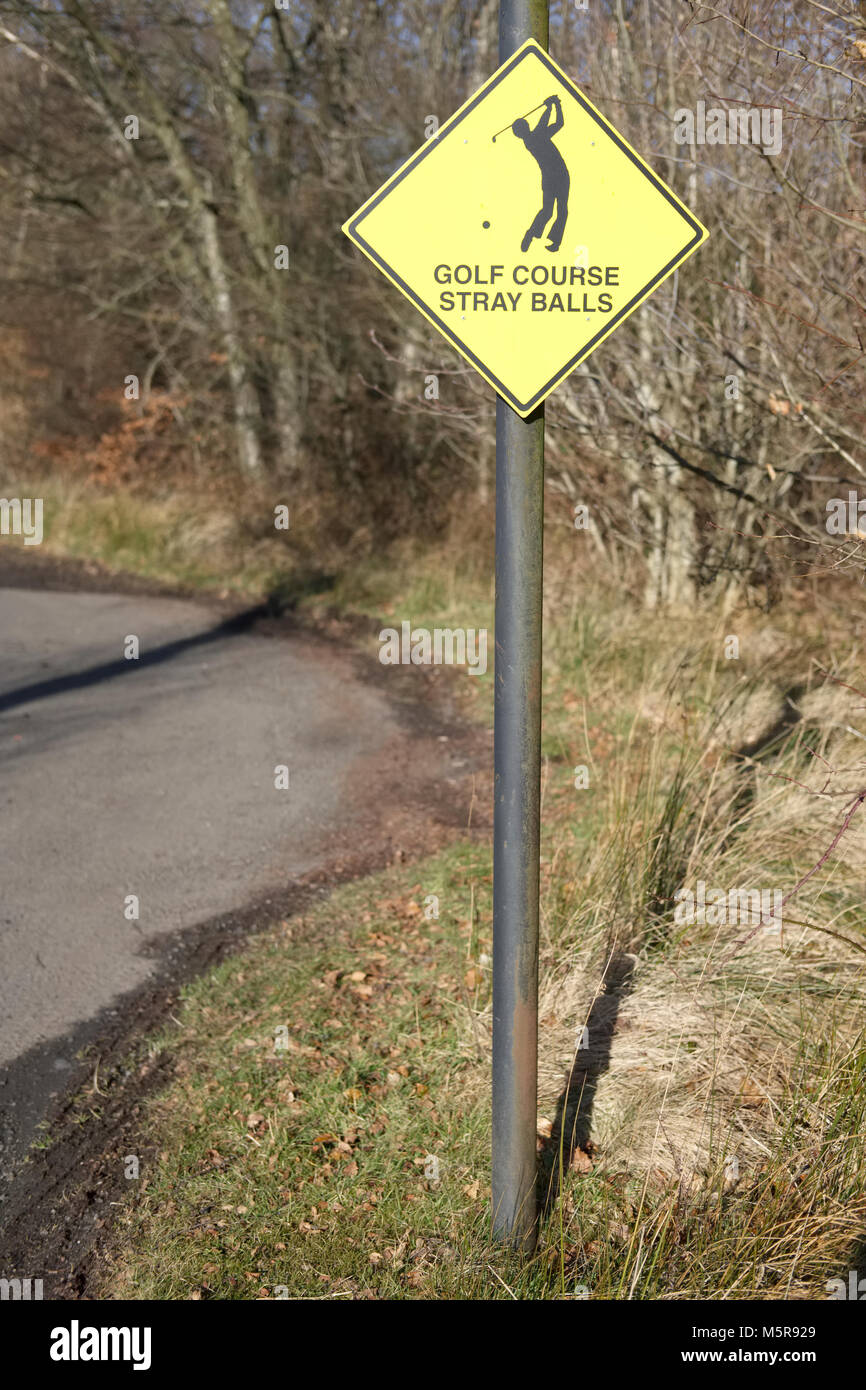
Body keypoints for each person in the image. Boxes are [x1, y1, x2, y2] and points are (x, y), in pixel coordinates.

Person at [512, 95, 570, 253]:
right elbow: (543, 123)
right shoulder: (533, 138)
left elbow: (559, 123)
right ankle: (534, 235)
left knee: (554, 211)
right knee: (554, 211)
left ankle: (549, 241)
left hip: (556, 176)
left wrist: (554, 106)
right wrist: (551, 106)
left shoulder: (537, 135)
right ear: (522, 132)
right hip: (556, 177)